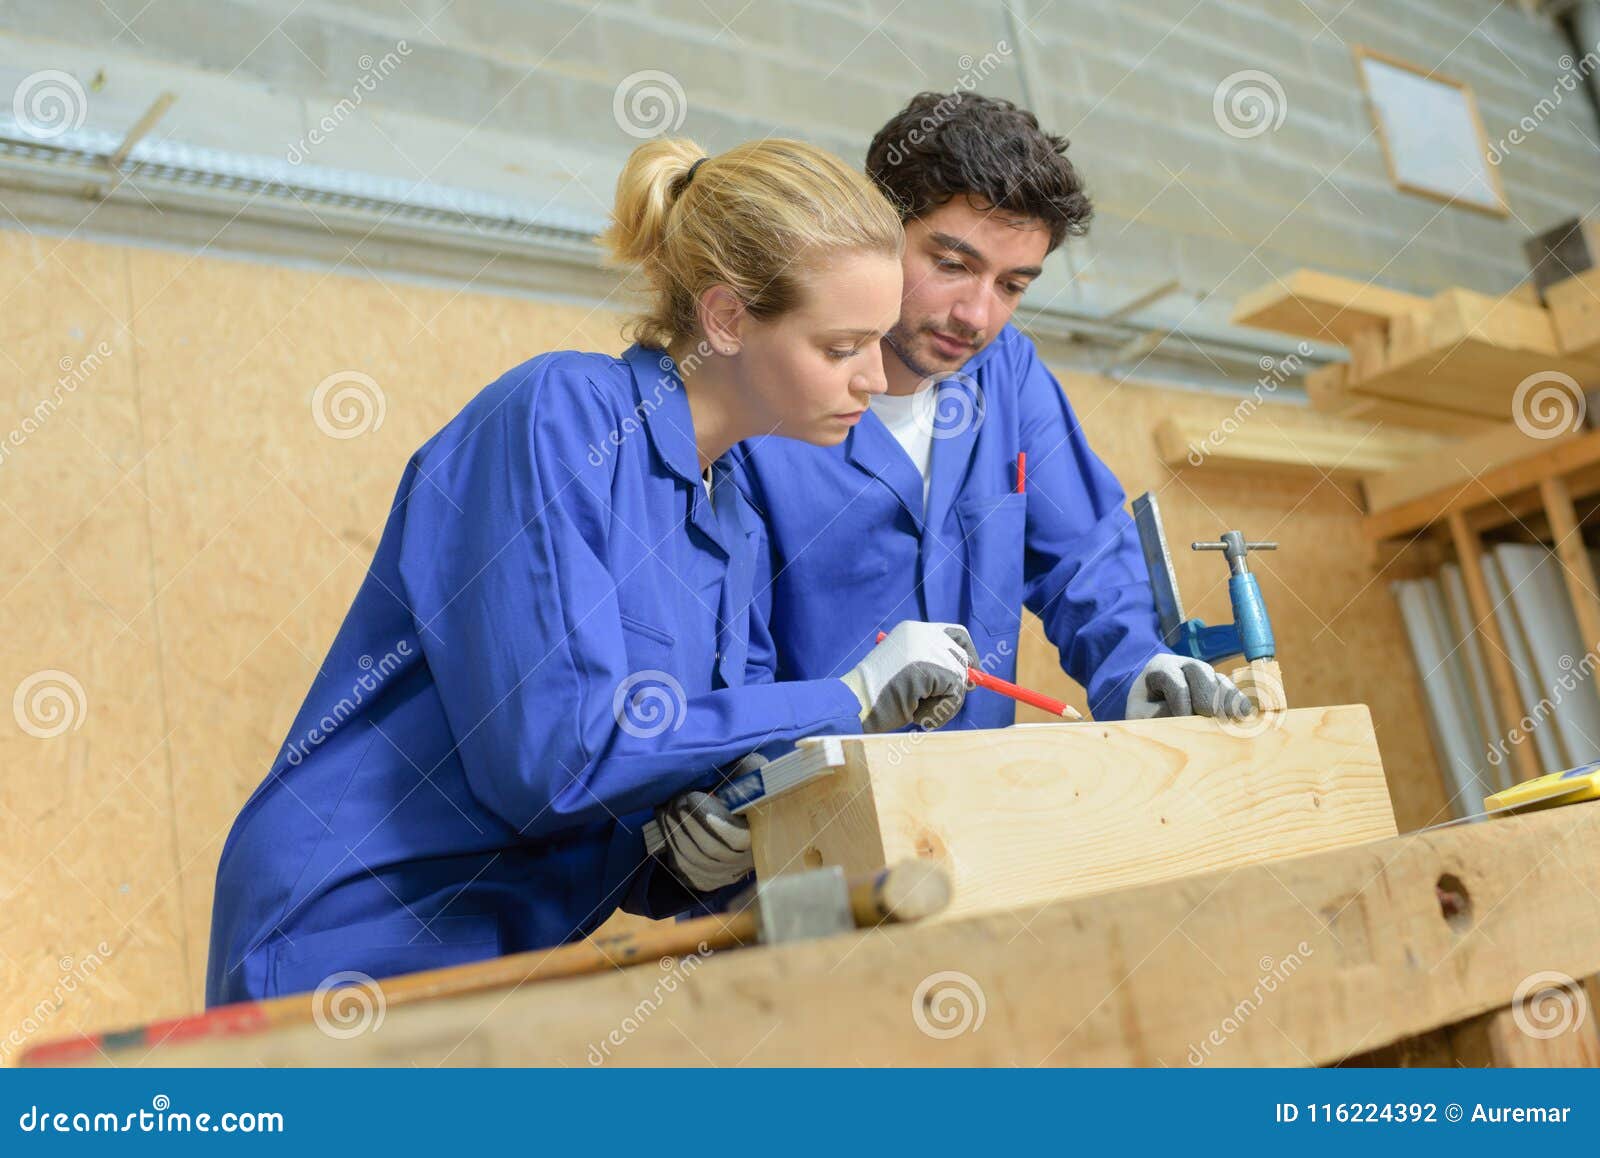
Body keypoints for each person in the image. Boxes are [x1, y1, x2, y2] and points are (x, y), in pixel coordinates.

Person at [205, 136, 980, 1005]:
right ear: (726, 320)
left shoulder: (734, 523)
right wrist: (847, 697)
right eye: (841, 347)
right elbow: (555, 758)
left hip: (513, 953)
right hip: (357, 930)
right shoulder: (559, 418)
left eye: (877, 342)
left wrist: (700, 849)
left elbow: (641, 793)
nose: (875, 377)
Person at [732, 93, 1253, 728]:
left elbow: (1082, 560)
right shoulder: (765, 403)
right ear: (877, 229)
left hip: (978, 796)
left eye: (1012, 285)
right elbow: (729, 663)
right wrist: (749, 771)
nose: (977, 316)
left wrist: (1140, 667)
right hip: (822, 804)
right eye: (952, 264)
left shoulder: (1008, 373)